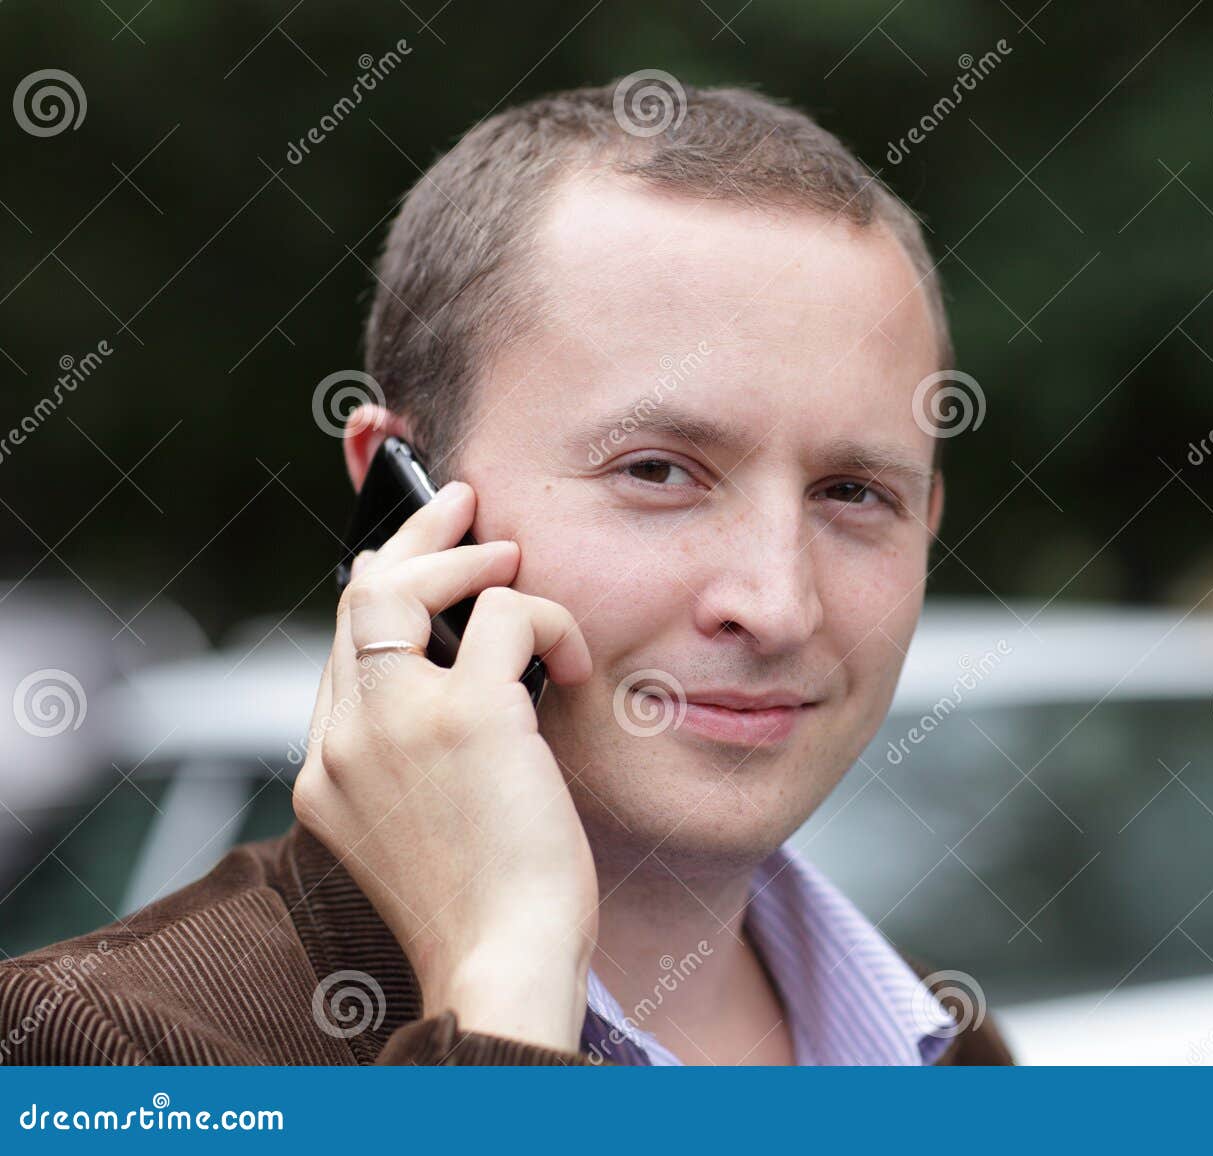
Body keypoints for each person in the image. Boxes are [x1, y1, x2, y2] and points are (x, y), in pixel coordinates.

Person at [0, 79, 1011, 1066]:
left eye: (850, 493)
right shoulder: (106, 1051)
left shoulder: (948, 1050)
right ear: (402, 501)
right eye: (657, 472)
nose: (778, 604)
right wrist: (504, 980)